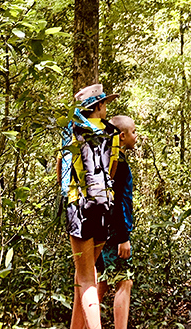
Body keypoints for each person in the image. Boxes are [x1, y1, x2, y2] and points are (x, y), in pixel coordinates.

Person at [58, 84, 120, 329]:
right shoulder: (113, 133)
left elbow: (62, 167)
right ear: (99, 106)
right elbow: (112, 170)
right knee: (84, 276)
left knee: (86, 279)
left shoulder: (72, 130)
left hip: (79, 206)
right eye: (105, 104)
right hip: (104, 205)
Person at [97, 115, 137, 329]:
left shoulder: (105, 160)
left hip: (101, 231)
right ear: (122, 136)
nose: (136, 135)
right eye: (133, 131)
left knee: (101, 283)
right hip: (114, 234)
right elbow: (118, 202)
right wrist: (123, 237)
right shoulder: (118, 164)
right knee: (125, 282)